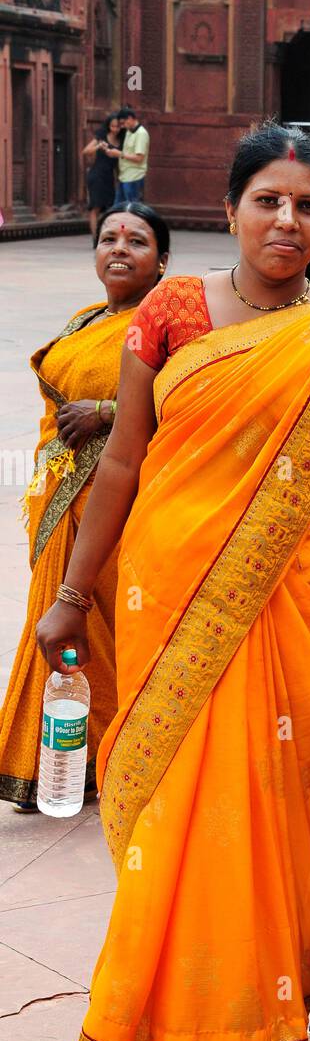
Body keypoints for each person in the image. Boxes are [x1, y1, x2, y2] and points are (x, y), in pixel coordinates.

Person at [36, 125, 310, 1041]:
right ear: (233, 207)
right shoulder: (168, 310)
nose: (286, 223)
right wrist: (71, 595)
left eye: (306, 205)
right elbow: (121, 462)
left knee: (263, 815)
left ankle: (245, 1038)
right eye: (267, 201)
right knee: (170, 814)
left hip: (295, 597)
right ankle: (152, 1031)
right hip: (167, 588)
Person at [0, 203, 169, 812]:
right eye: (108, 238)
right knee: (59, 621)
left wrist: (105, 411)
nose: (119, 249)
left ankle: (109, 755)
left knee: (107, 624)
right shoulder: (84, 321)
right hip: (61, 498)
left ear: (163, 261)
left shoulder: (170, 325)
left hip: (121, 498)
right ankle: (55, 762)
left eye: (137, 241)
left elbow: (181, 404)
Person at [83, 114, 122, 240]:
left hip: (109, 177)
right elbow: (86, 151)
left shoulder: (122, 140)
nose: (115, 129)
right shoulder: (101, 136)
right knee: (95, 207)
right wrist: (98, 146)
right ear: (109, 126)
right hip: (97, 174)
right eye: (112, 126)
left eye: (117, 126)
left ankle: (105, 235)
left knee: (109, 208)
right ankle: (95, 238)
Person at [107, 105, 150, 203]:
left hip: (134, 177)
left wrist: (120, 154)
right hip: (124, 175)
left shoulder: (141, 134)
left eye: (123, 123)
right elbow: (126, 152)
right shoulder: (129, 131)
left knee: (131, 209)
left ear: (130, 119)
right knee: (118, 208)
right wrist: (113, 153)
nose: (122, 126)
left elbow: (139, 158)